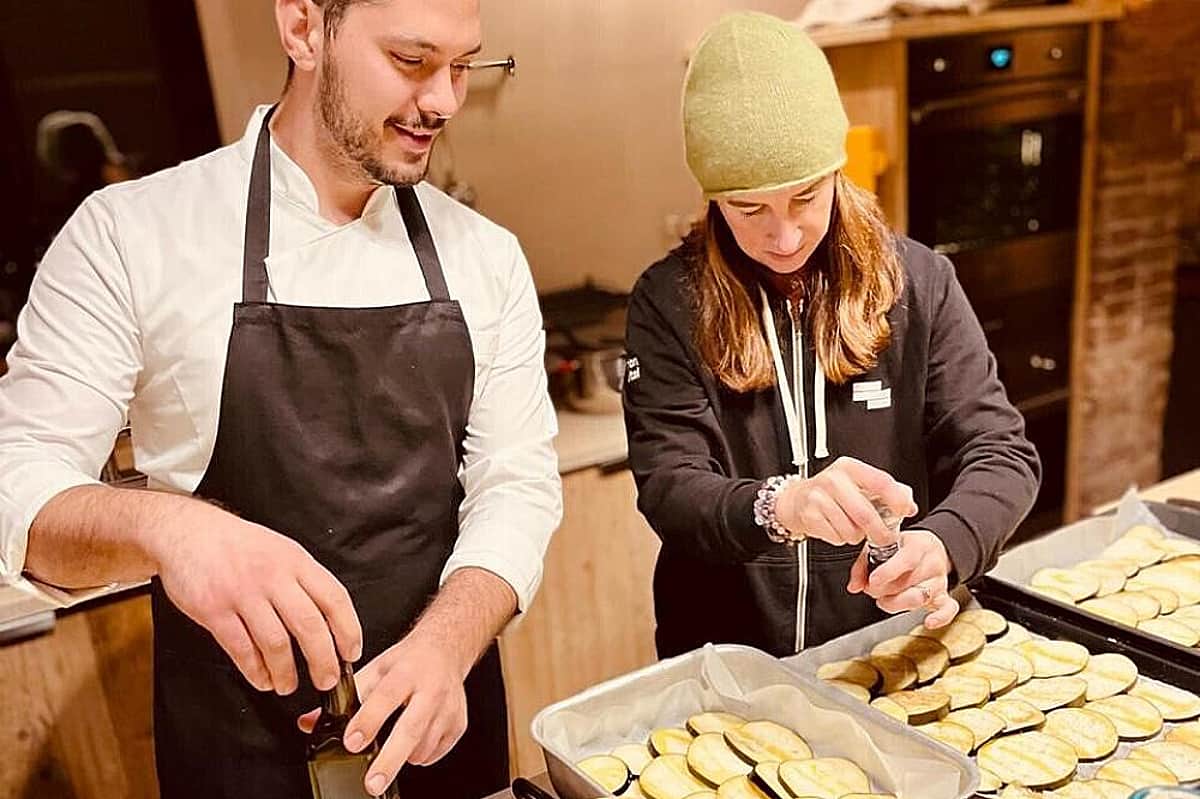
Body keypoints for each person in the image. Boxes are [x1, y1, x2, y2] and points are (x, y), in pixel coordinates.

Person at [0, 0, 561, 796]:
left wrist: (450, 640)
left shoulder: (487, 257)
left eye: (464, 65)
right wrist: (173, 530)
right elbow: (15, 481)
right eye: (411, 61)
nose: (443, 100)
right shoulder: (132, 233)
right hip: (237, 747)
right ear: (303, 28)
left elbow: (518, 483)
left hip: (438, 730)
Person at [622, 12, 1040, 660]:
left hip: (885, 648)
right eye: (749, 208)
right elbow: (671, 487)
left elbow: (1001, 453)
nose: (784, 236)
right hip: (725, 663)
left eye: (806, 197)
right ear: (712, 198)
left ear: (837, 174)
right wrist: (781, 505)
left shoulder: (918, 283)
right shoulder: (669, 302)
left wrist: (946, 543)